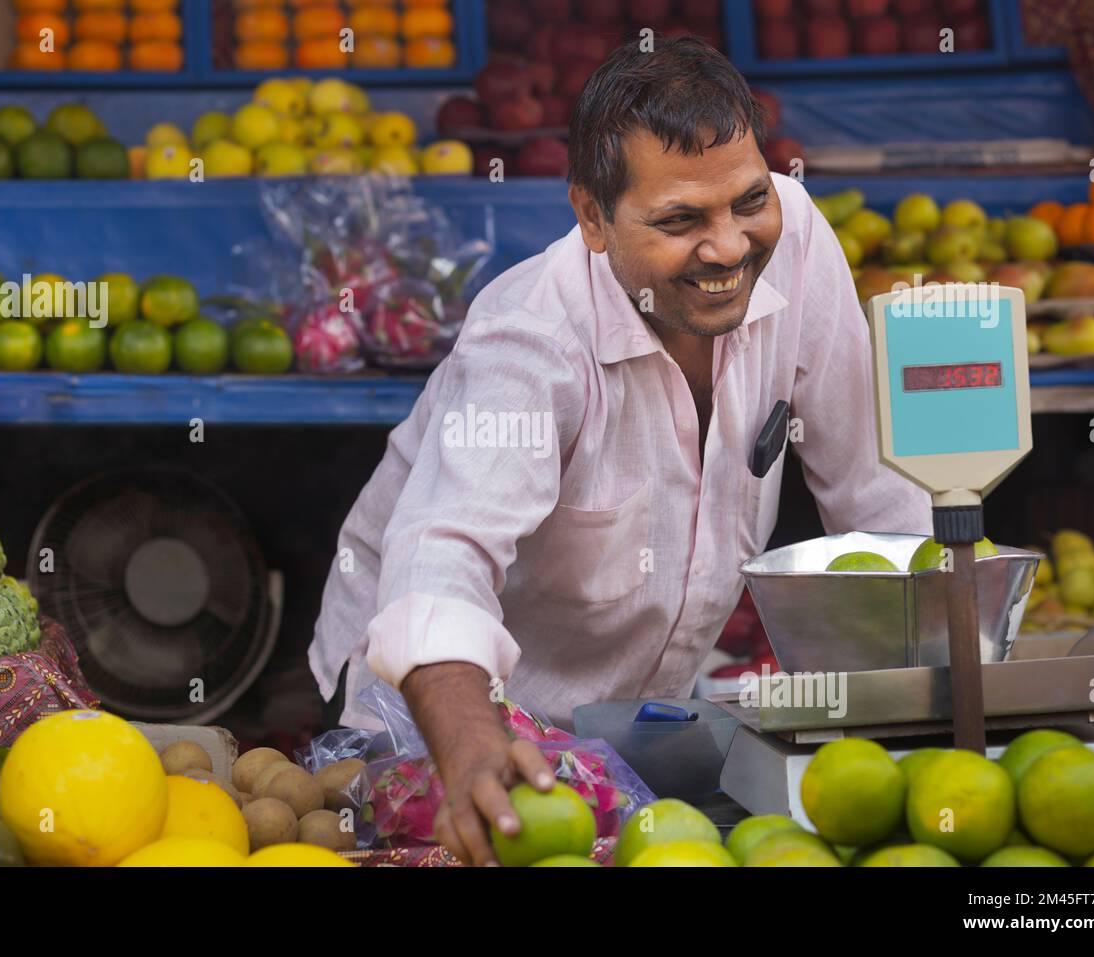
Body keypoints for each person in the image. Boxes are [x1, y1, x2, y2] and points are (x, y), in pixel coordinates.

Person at [309, 37, 931, 864]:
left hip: (626, 734)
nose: (729, 248)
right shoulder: (528, 339)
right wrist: (470, 746)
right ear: (594, 217)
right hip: (446, 720)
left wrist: (935, 707)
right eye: (680, 221)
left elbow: (876, 492)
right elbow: (438, 556)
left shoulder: (801, 240)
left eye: (749, 201)